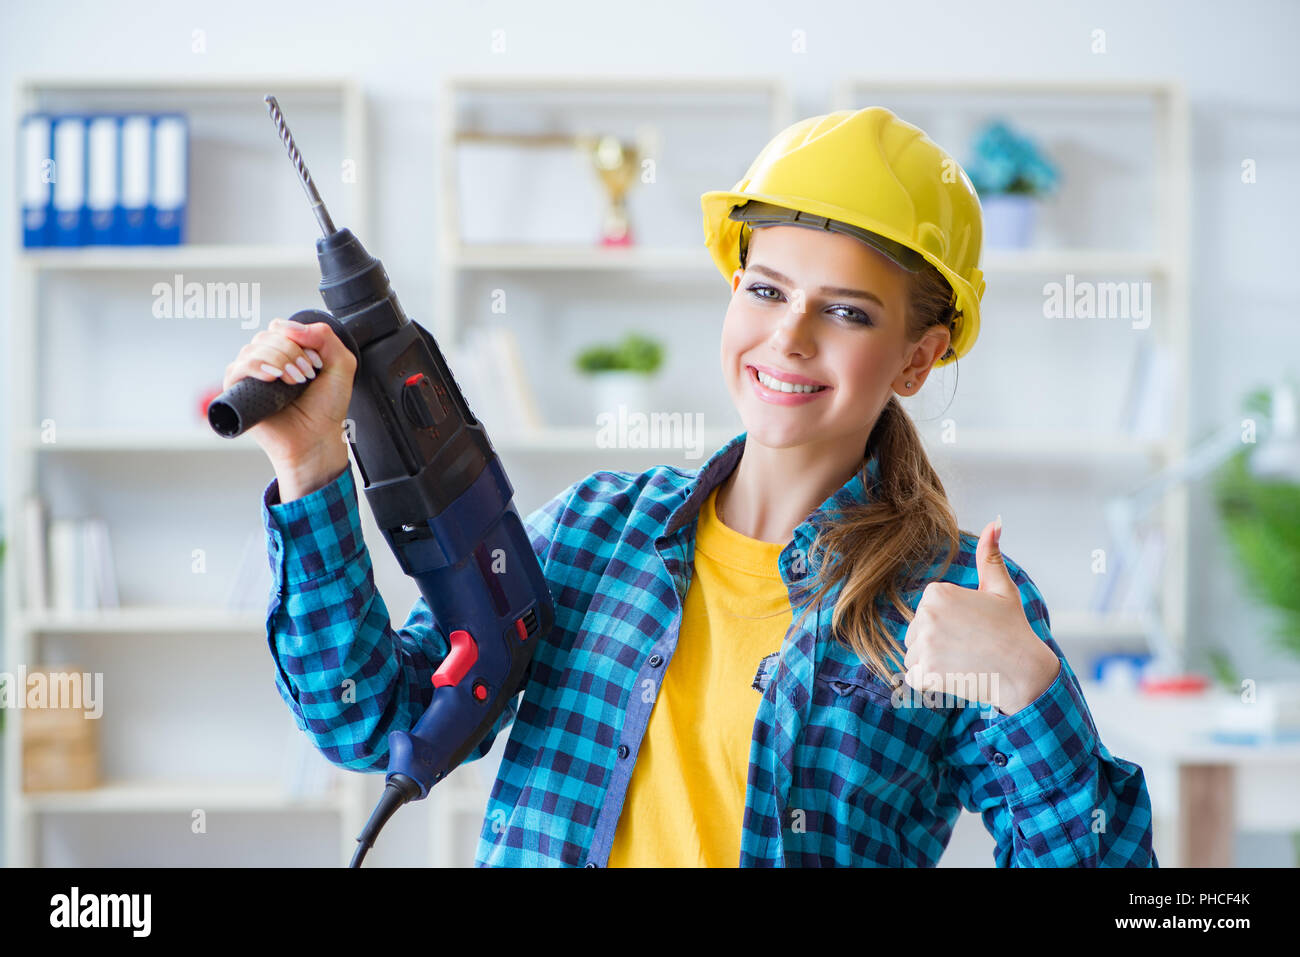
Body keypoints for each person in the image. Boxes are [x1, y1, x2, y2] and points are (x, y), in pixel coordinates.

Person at [229, 106, 1157, 867]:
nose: (789, 337)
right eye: (765, 290)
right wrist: (309, 470)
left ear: (918, 357)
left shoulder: (953, 605)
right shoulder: (593, 535)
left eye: (844, 311)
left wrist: (1030, 689)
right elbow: (373, 719)